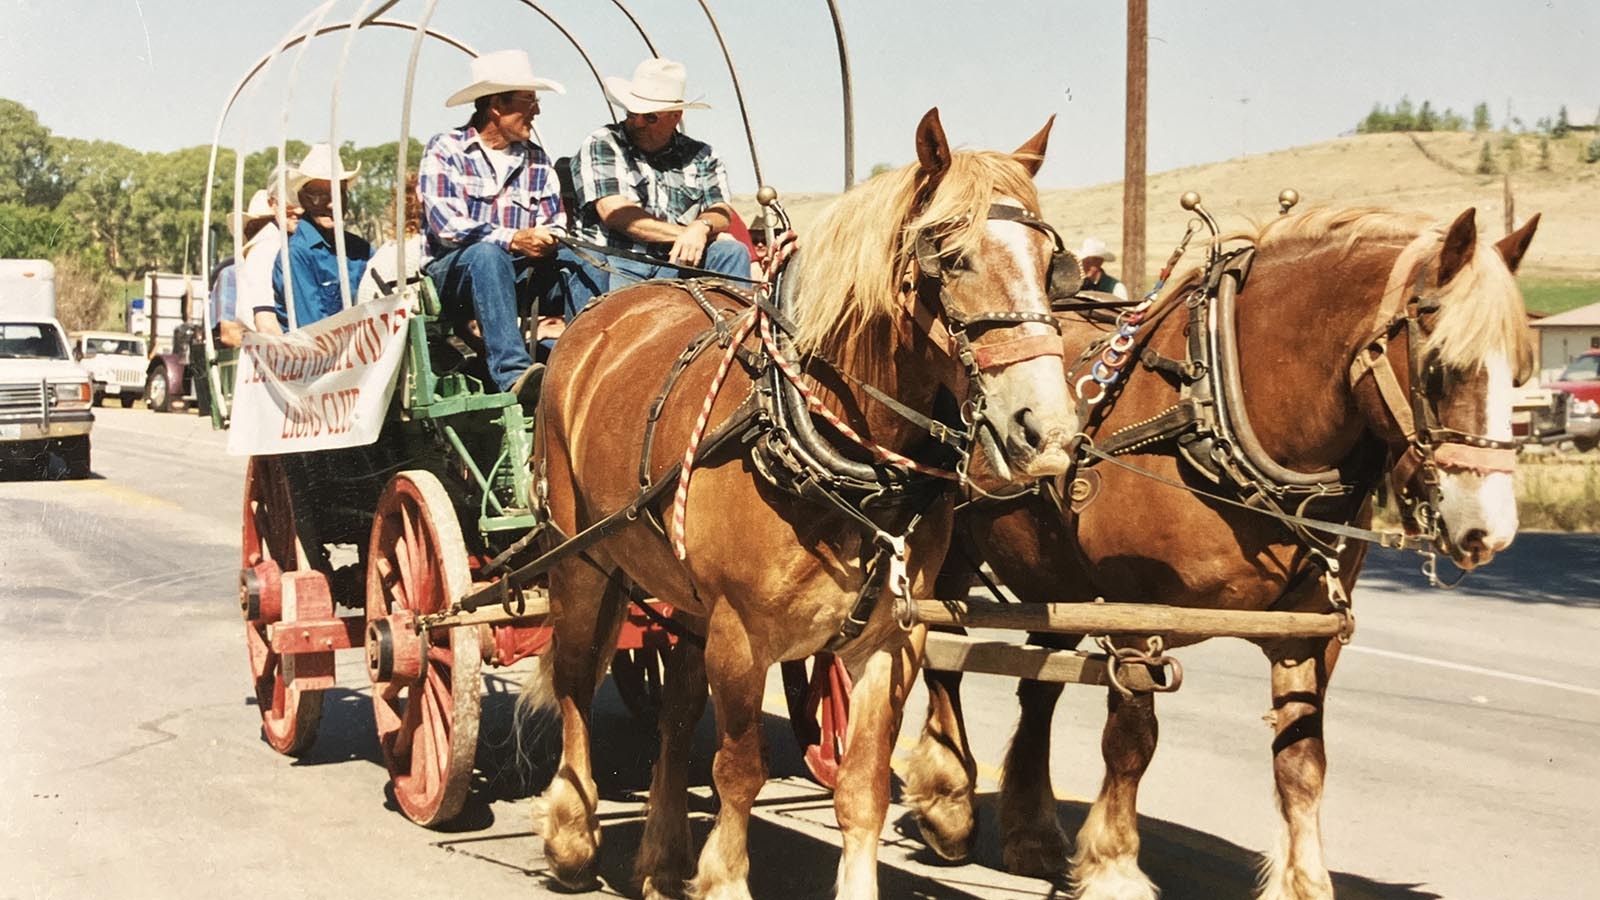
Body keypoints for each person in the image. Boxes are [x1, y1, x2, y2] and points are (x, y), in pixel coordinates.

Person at [418, 49, 598, 396]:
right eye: (529, 101)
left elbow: (554, 221)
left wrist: (549, 238)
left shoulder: (537, 159)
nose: (537, 110)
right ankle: (514, 374)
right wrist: (514, 238)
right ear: (497, 106)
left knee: (583, 261)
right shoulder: (446, 149)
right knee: (487, 255)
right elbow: (446, 225)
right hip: (455, 274)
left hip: (519, 270)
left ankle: (587, 361)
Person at [570, 57, 751, 286]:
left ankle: (734, 310)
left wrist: (702, 226)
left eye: (650, 117)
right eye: (631, 114)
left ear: (676, 116)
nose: (637, 123)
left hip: (678, 262)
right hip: (615, 261)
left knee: (732, 252)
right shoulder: (604, 143)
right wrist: (690, 234)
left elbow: (721, 211)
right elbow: (615, 214)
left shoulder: (702, 155)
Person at [271, 144, 372, 330]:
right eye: (320, 196)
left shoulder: (360, 249)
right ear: (303, 199)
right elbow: (314, 329)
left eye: (338, 194)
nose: (332, 204)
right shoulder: (296, 255)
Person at [240, 172, 303, 335]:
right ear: (272, 204)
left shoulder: (292, 244)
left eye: (302, 201)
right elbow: (267, 325)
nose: (298, 210)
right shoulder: (267, 249)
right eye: (289, 204)